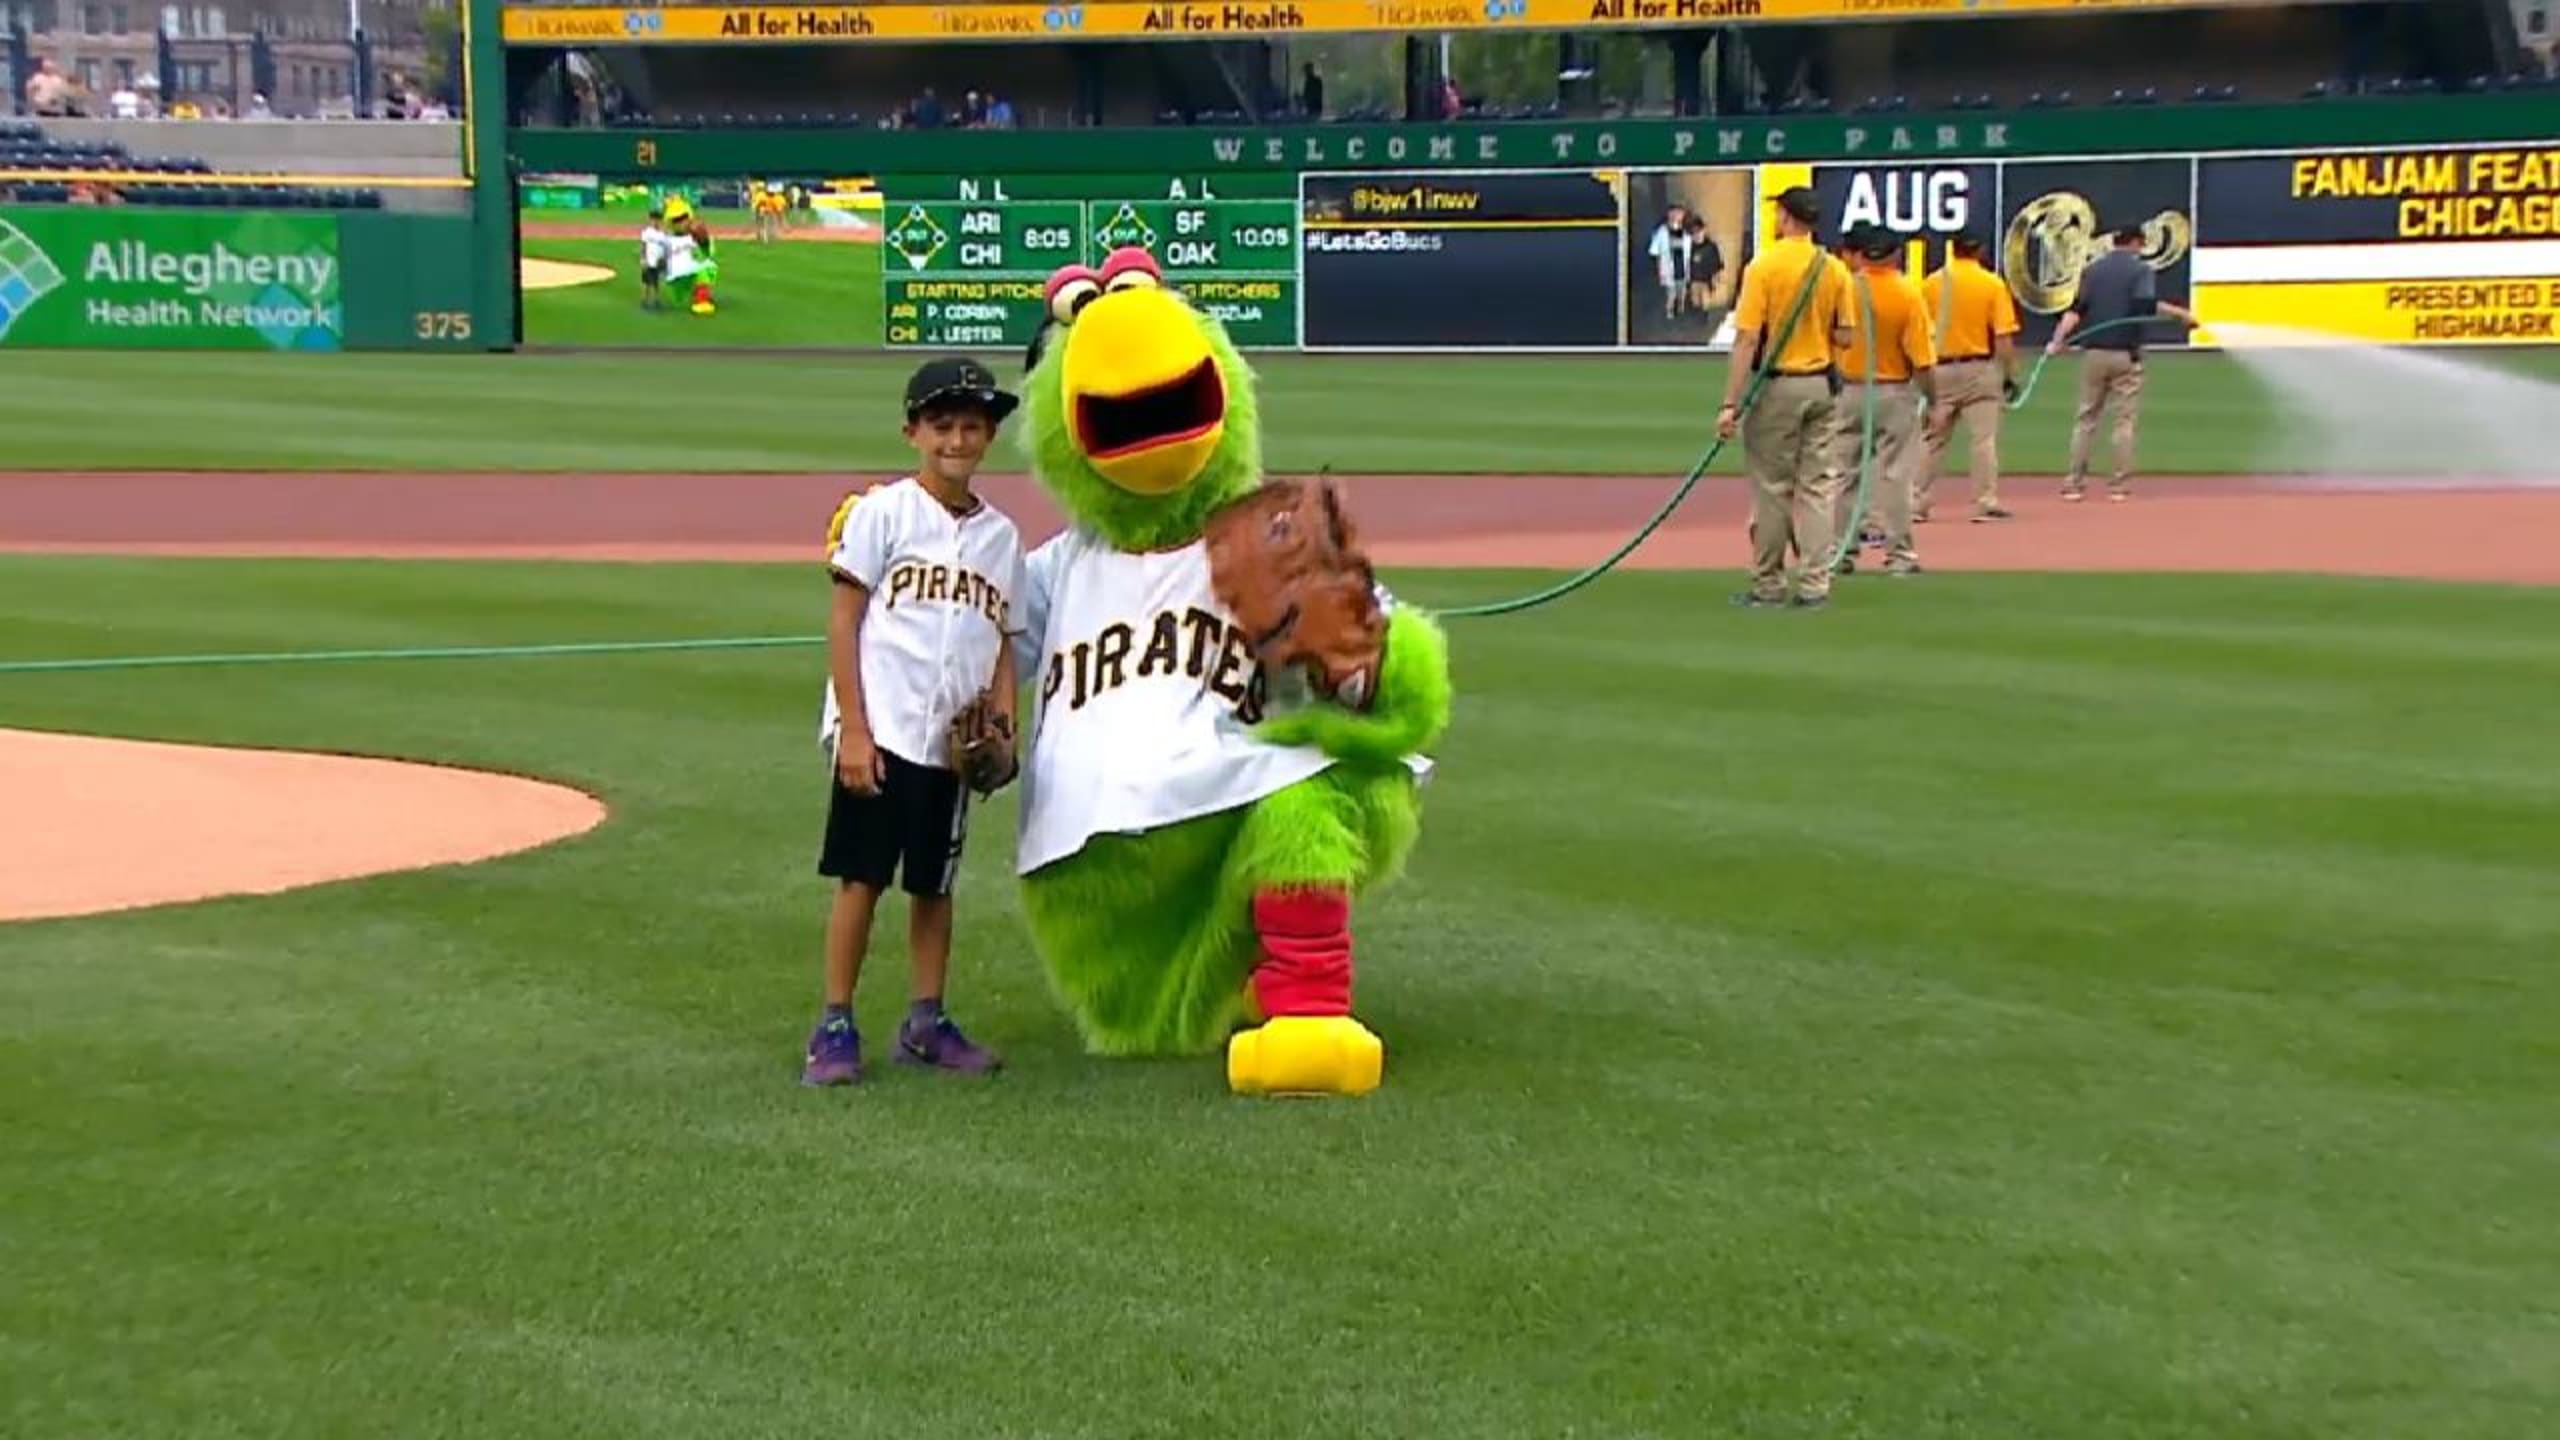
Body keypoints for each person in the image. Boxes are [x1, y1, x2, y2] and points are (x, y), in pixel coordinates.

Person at [803, 358, 1027, 1086]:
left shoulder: (1003, 539)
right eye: (942, 425)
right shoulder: (884, 513)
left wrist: (1004, 726)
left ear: (990, 435)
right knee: (861, 878)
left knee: (934, 885)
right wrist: (854, 729)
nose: (957, 440)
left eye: (972, 426)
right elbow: (845, 622)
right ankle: (835, 1024)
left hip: (950, 746)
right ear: (913, 433)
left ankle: (926, 1022)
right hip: (885, 731)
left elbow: (1004, 642)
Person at [1716, 185, 1855, 609]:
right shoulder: (1834, 269)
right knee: (1817, 489)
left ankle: (1769, 584)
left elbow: (1746, 339)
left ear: (1787, 217)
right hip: (1821, 384)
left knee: (1772, 489)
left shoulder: (1764, 266)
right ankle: (1815, 584)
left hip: (1777, 386)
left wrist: (1730, 403)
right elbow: (1846, 336)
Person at [2046, 222, 2200, 502]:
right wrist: (2180, 315)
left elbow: (2075, 311)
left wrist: (2057, 340)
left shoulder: (2093, 270)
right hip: (2125, 354)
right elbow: (2145, 305)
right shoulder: (2140, 270)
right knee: (2123, 422)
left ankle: (2073, 484)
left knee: (2086, 419)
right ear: (2135, 242)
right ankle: (2117, 486)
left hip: (2093, 353)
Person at [1832, 224, 1937, 577]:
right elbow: (1921, 360)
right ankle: (1899, 555)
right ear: (1895, 255)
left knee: (1843, 475)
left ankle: (1839, 552)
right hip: (1894, 391)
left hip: (1848, 389)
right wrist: (1932, 398)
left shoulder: (1845, 288)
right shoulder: (1907, 293)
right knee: (1896, 475)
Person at [1919, 232, 2022, 523]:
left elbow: (1917, 329)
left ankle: (1916, 502)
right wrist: (2010, 374)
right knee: (1983, 440)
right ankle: (1985, 502)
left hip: (1939, 369)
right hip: (1979, 368)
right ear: (1980, 250)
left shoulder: (1931, 283)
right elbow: (2002, 336)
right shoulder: (1991, 283)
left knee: (1932, 440)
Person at [638, 205, 668, 311]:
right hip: (648, 260)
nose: (656, 222)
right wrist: (643, 259)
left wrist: (664, 259)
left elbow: (665, 248)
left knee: (656, 282)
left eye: (658, 220)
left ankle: (656, 300)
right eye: (654, 219)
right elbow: (643, 246)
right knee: (646, 282)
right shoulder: (647, 232)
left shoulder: (663, 234)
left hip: (658, 261)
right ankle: (645, 300)